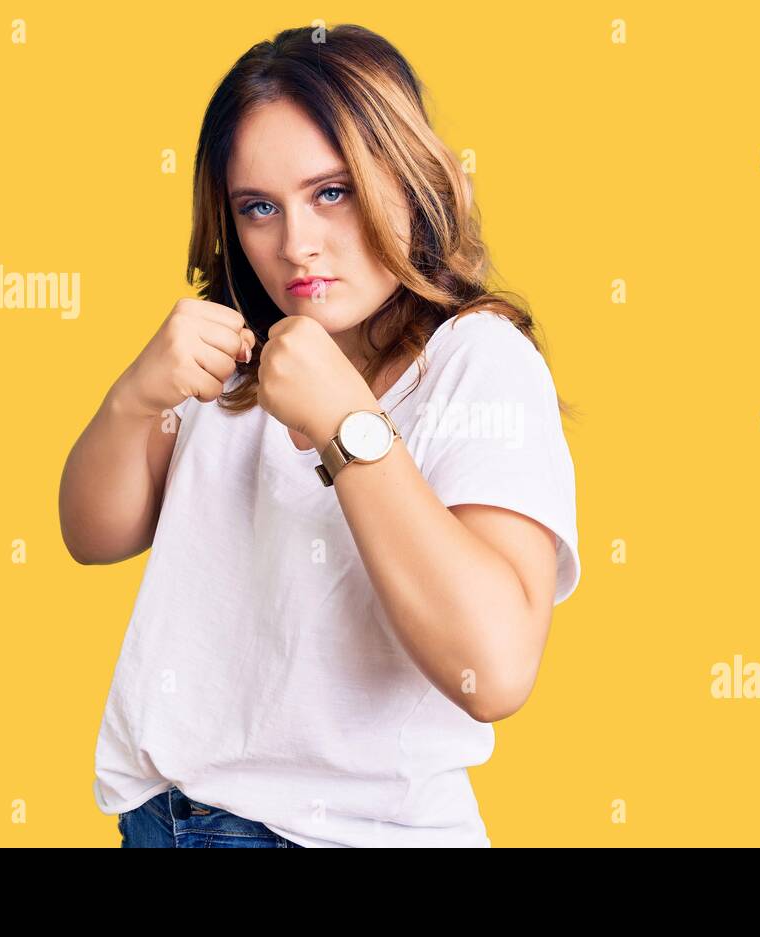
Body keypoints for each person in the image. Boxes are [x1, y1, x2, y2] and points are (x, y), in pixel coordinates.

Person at [59, 23, 580, 848]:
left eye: (330, 191)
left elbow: (497, 665)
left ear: (408, 181)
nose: (296, 243)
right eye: (259, 207)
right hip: (161, 820)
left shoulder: (477, 362)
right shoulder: (231, 354)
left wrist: (347, 425)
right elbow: (93, 533)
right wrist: (133, 398)